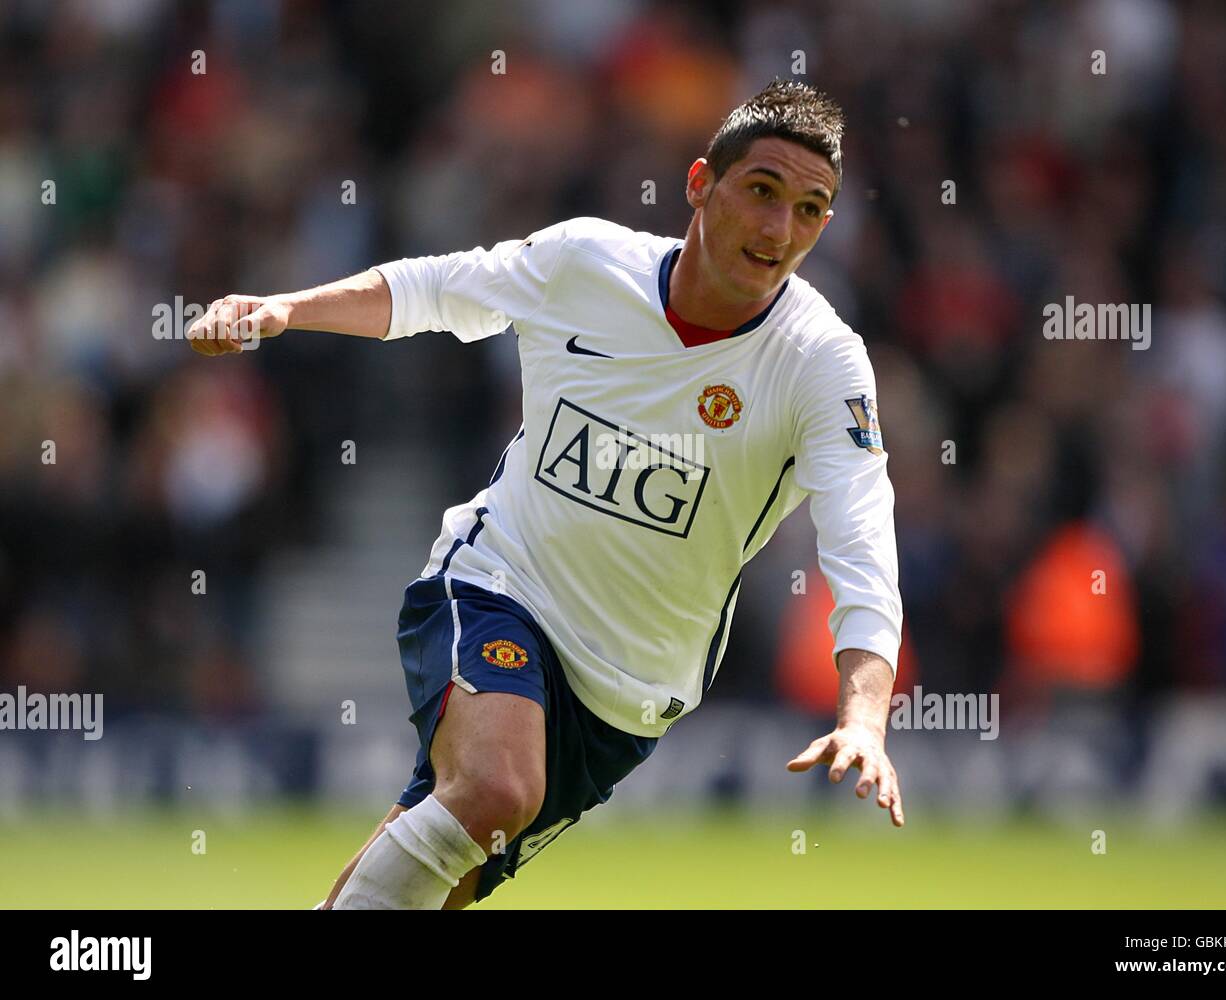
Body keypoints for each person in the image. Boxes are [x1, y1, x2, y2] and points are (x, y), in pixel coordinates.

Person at [188, 79, 906, 910]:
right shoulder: (587, 263)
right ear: (701, 183)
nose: (781, 229)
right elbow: (437, 291)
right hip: (502, 584)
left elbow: (861, 541)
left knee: (435, 874)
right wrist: (284, 308)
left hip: (630, 691)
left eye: (811, 209)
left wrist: (864, 718)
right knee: (496, 788)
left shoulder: (822, 360)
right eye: (762, 191)